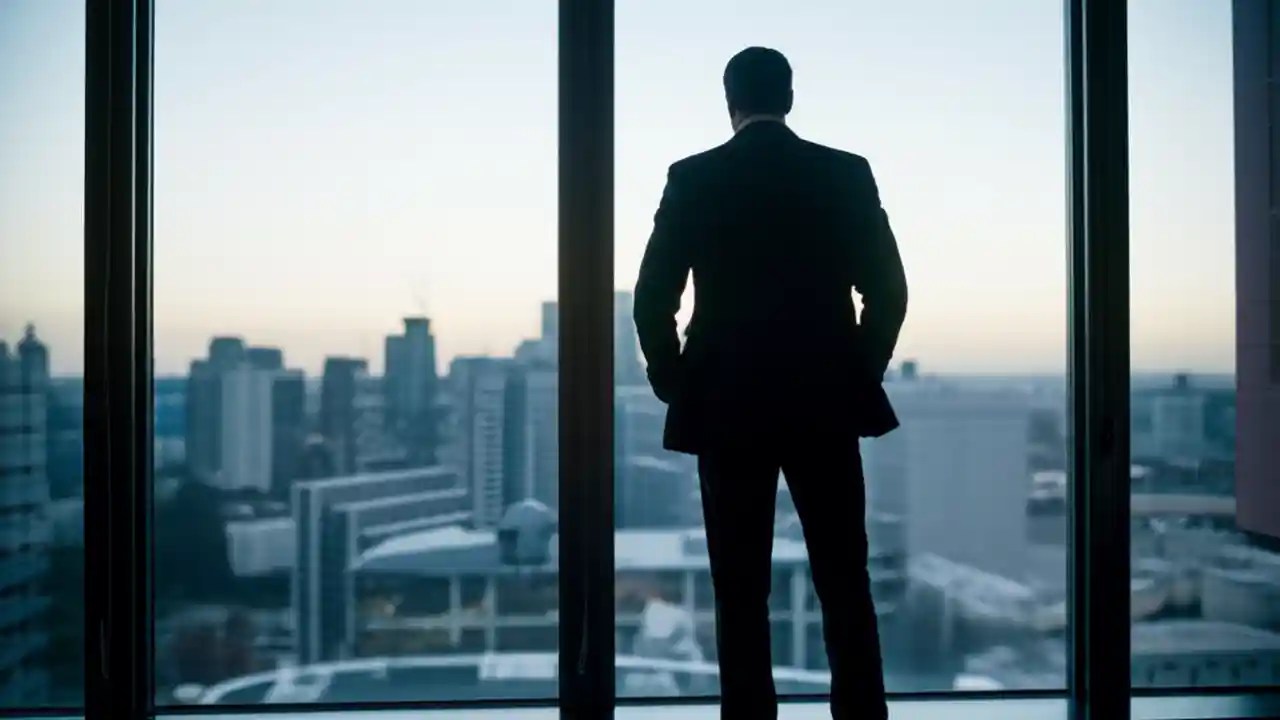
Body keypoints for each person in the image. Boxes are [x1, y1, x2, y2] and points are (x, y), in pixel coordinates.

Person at [633, 47, 908, 720]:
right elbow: (890, 293)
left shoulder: (694, 178)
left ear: (730, 100)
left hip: (727, 407)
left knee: (740, 588)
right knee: (845, 581)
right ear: (789, 95)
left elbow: (651, 301)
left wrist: (677, 382)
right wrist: (854, 373)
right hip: (824, 406)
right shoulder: (844, 174)